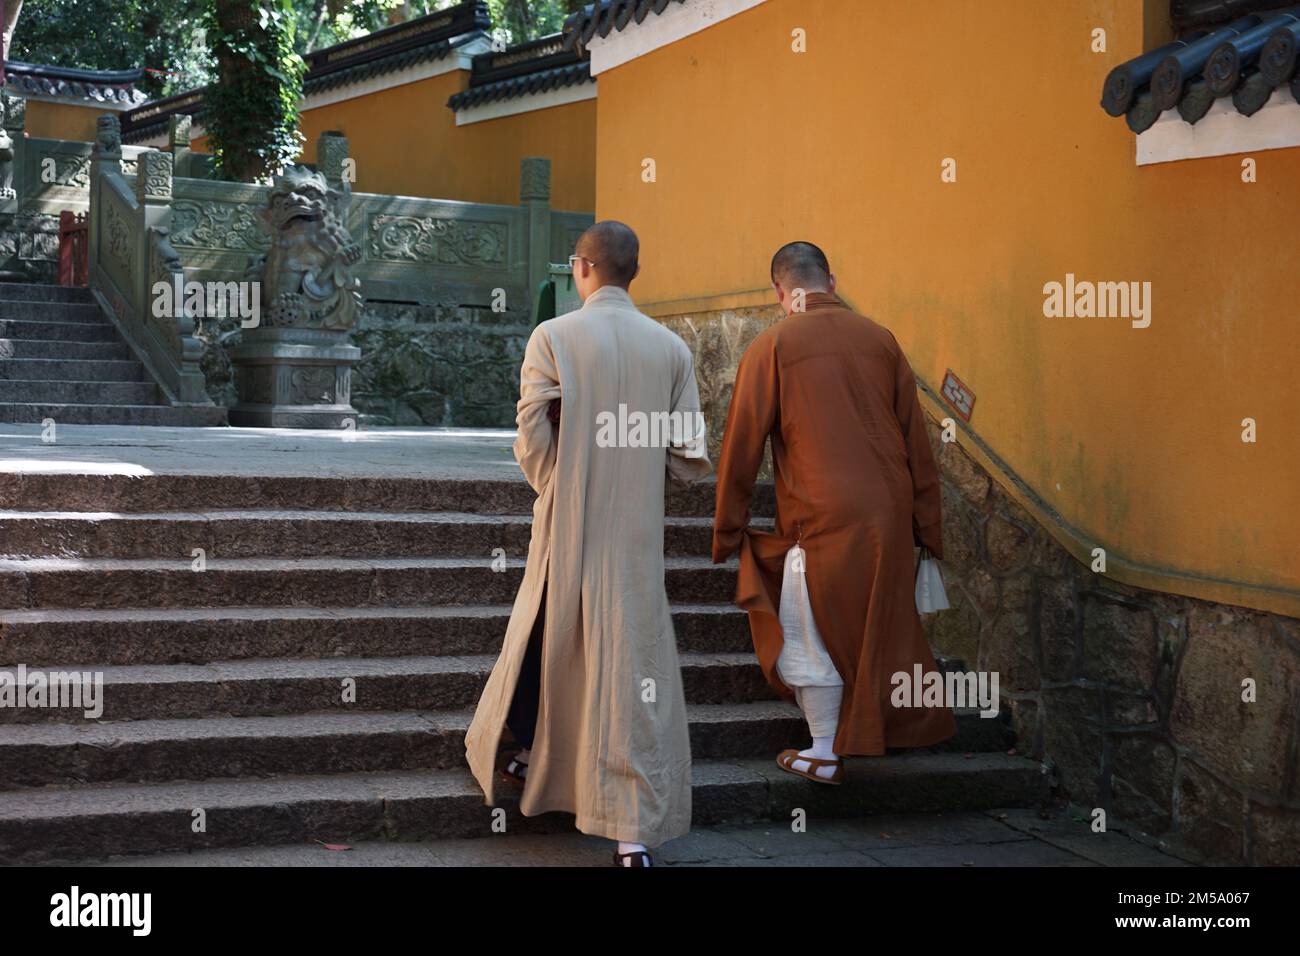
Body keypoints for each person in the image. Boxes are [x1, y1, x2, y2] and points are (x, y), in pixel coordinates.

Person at [464, 220, 712, 867]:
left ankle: (541, 768)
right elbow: (689, 458)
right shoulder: (671, 349)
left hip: (569, 524)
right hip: (635, 534)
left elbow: (531, 439)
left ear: (581, 267)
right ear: (635, 270)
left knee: (556, 642)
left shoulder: (553, 337)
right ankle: (632, 834)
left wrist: (557, 482)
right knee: (634, 670)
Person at [711, 241, 955, 785]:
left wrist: (728, 529)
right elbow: (917, 444)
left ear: (780, 292)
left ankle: (823, 748)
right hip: (887, 511)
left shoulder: (772, 345)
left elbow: (741, 446)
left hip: (819, 515)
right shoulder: (882, 341)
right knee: (875, 624)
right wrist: (927, 529)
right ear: (832, 282)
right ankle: (868, 733)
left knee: (808, 626)